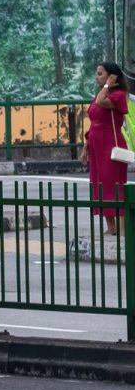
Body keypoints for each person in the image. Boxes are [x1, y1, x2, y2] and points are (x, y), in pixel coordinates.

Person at [79, 61, 128, 263]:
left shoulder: (117, 96)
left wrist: (108, 85)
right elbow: (93, 121)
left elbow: (101, 103)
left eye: (100, 74)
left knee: (113, 185)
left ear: (111, 76)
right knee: (99, 184)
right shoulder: (100, 94)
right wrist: (85, 147)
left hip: (110, 145)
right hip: (96, 145)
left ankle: (123, 229)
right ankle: (111, 228)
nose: (96, 77)